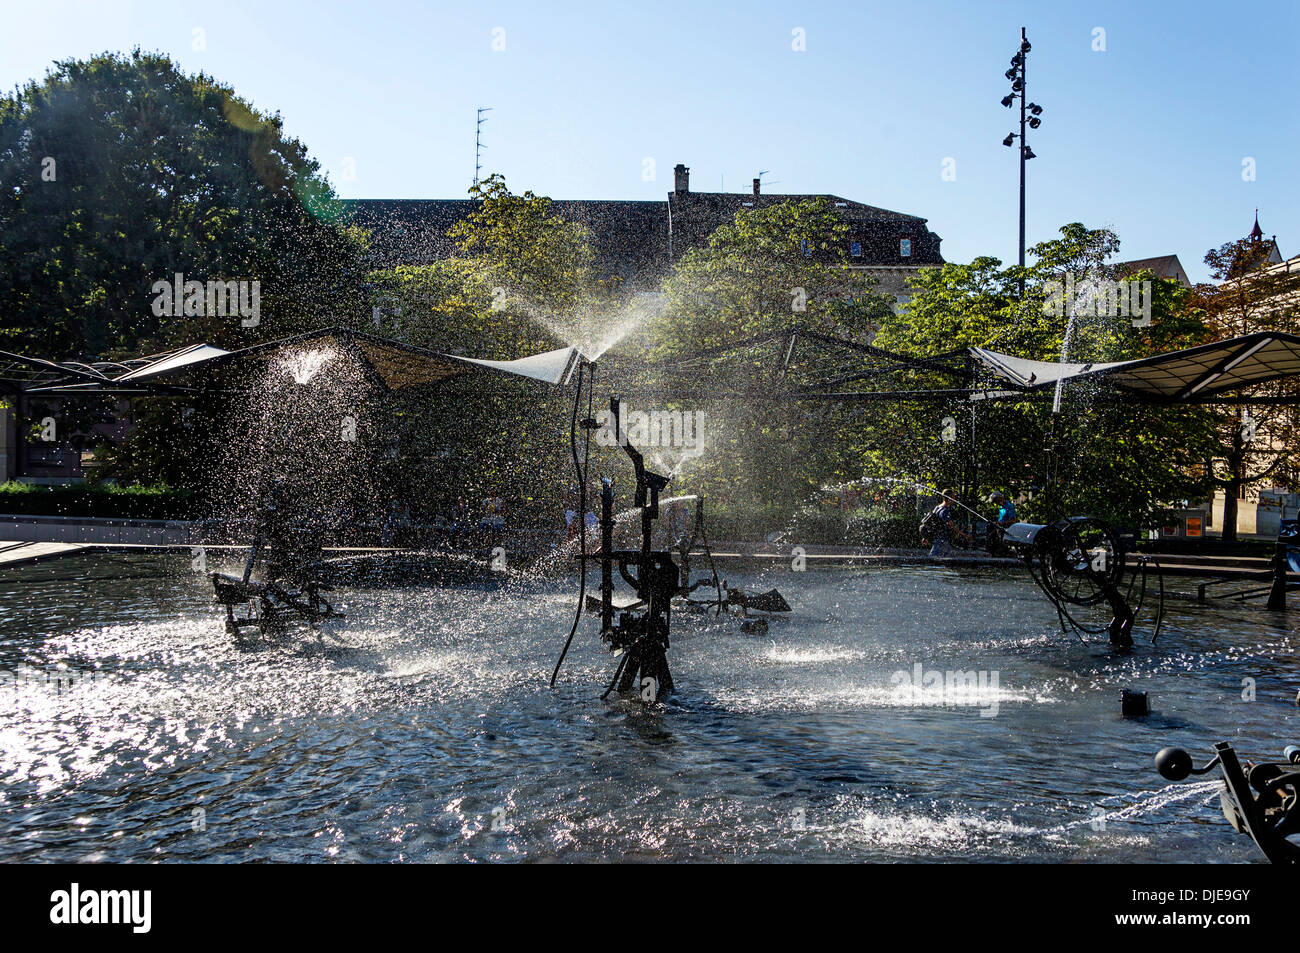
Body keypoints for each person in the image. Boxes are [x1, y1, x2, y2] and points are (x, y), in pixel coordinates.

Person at [922, 488, 971, 557]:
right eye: (953, 496)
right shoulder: (945, 511)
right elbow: (952, 526)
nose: (954, 499)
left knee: (943, 558)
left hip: (938, 537)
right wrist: (965, 535)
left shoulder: (938, 507)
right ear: (949, 498)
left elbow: (930, 522)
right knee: (934, 558)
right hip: (942, 539)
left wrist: (926, 537)